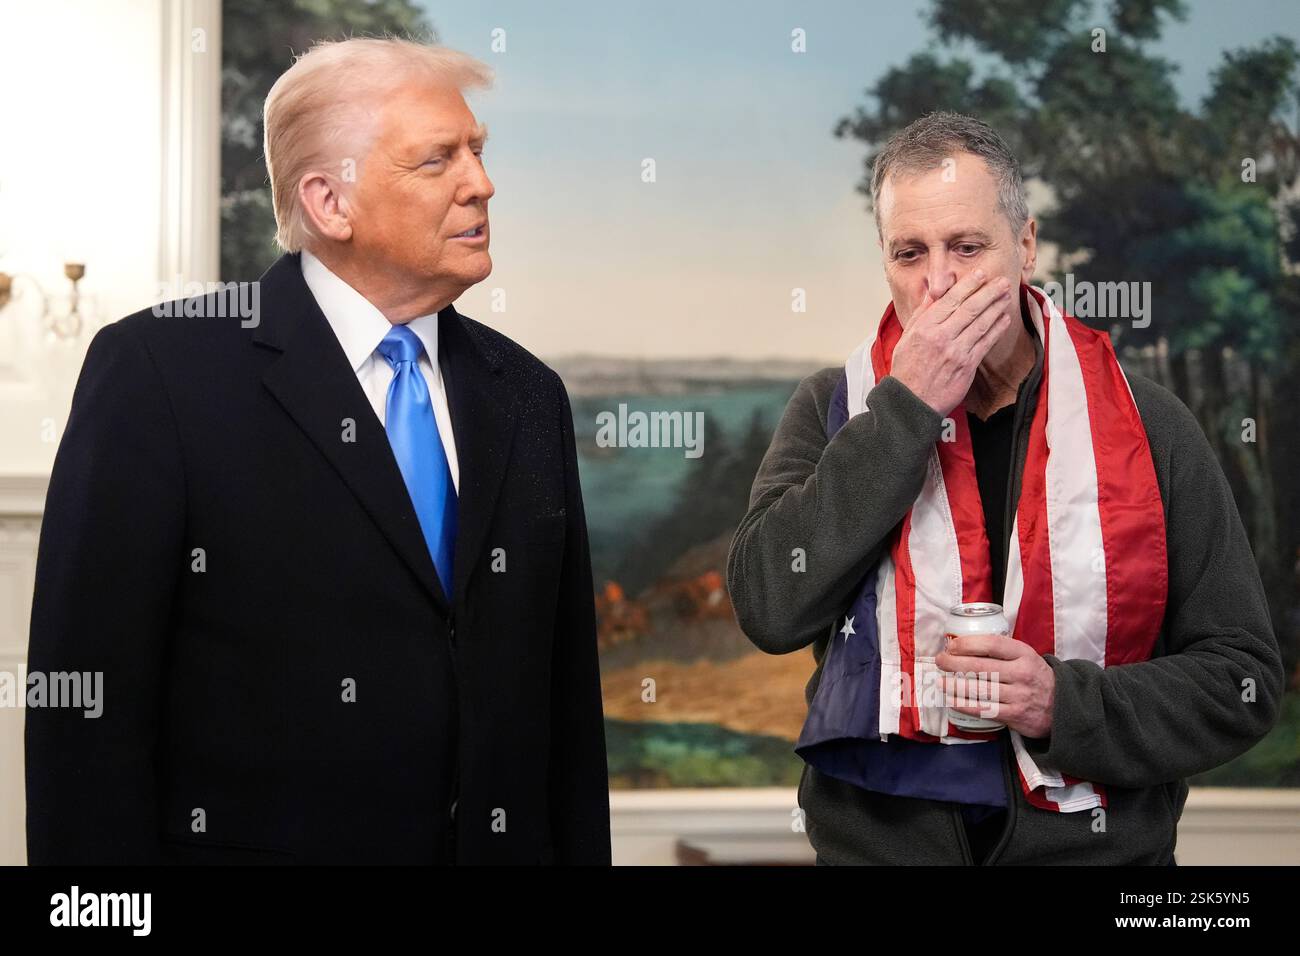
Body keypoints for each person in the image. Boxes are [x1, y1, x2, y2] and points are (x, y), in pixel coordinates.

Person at [25, 38, 610, 865]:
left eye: (476, 151)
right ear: (330, 202)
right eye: (436, 159)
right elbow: (87, 722)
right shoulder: (159, 375)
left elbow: (566, 720)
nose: (481, 182)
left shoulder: (527, 395)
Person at [727, 111, 1283, 865]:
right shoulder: (836, 407)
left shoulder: (1149, 422)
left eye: (967, 247)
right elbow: (768, 606)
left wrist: (1066, 703)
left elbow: (1240, 681)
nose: (940, 282)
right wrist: (906, 409)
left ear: (1025, 246)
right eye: (909, 253)